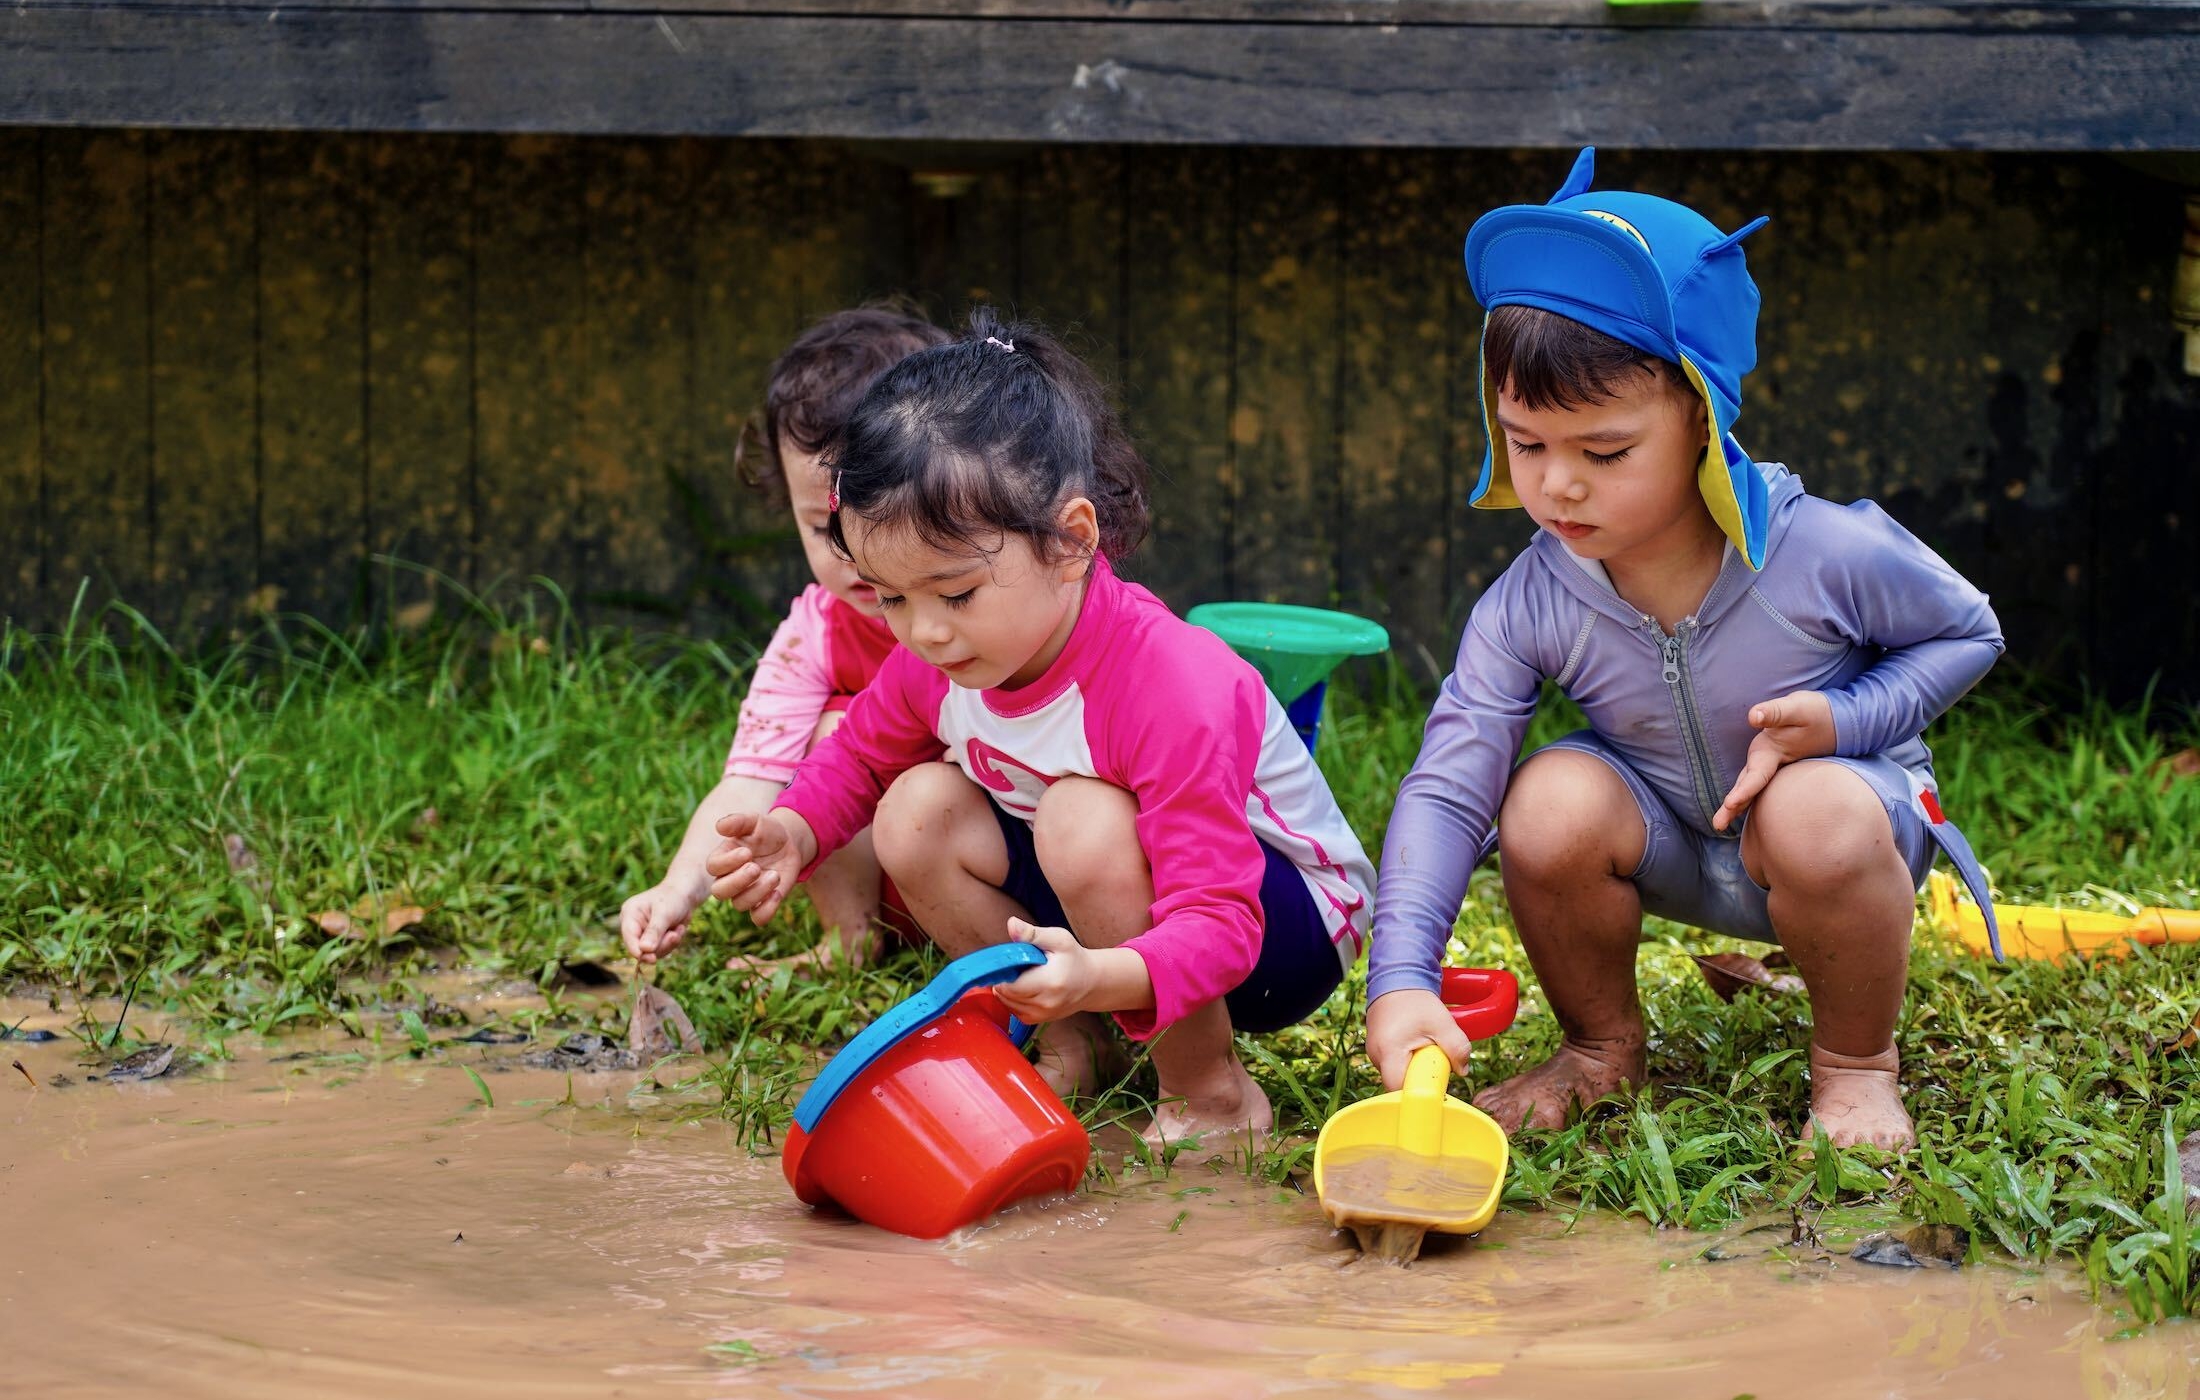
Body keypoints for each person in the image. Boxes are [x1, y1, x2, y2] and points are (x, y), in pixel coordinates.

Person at [1366, 149, 2004, 1150]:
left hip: (1835, 835)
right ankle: (1598, 1049)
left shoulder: (1821, 549)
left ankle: (1852, 1065)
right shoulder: (1531, 598)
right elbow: (1450, 787)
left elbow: (1969, 629)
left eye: (1604, 451)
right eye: (1524, 443)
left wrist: (1844, 720)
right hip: (1665, 833)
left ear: (1701, 416)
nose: (1557, 487)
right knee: (1545, 798)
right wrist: (1400, 977)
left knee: (1815, 807)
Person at [704, 310, 1376, 1145]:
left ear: (1071, 540)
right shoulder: (938, 654)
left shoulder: (1168, 684)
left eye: (955, 594)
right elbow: (862, 759)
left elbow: (1220, 921)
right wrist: (795, 830)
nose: (923, 633)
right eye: (890, 596)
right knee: (914, 810)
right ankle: (1077, 1038)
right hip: (1108, 904)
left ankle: (1210, 1094)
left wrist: (1104, 971)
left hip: (1278, 932)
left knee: (1080, 819)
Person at [622, 304, 951, 973]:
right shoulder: (817, 634)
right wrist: (679, 887)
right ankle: (851, 934)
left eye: (879, 518)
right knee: (834, 730)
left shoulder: (988, 611)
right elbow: (753, 780)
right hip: (887, 870)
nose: (854, 554)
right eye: (820, 525)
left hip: (983, 858)